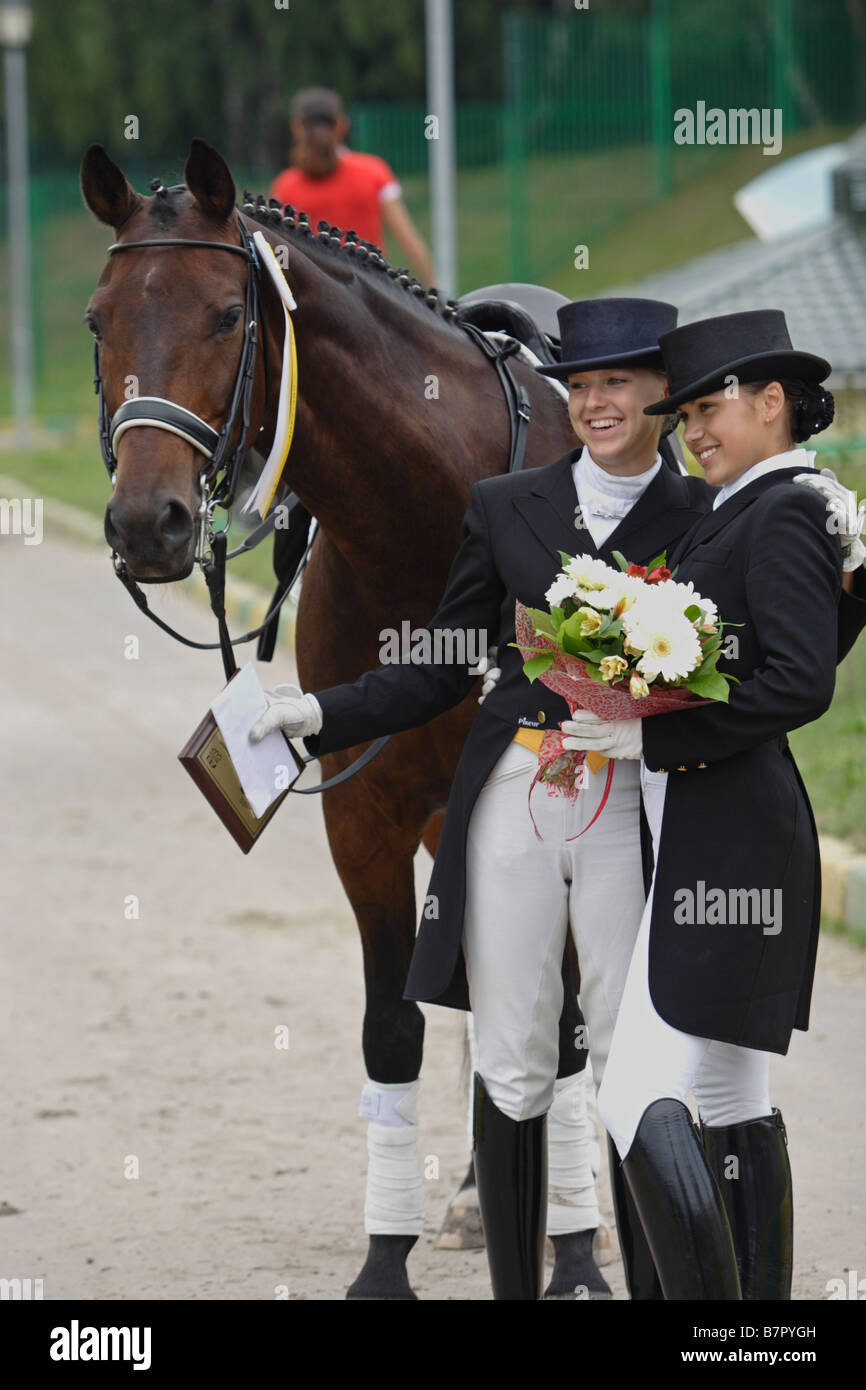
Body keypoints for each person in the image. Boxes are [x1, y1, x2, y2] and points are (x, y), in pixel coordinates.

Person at [249, 299, 866, 1299]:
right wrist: (318, 711)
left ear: (658, 403)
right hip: (520, 793)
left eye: (616, 384)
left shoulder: (711, 507)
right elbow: (443, 664)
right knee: (515, 1055)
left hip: (641, 803)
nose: (592, 404)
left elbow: (776, 647)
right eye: (575, 387)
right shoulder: (503, 504)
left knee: (640, 1062)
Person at [564, 309, 862, 1299]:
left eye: (707, 407)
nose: (690, 429)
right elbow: (784, 650)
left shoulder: (782, 507)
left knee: (632, 1089)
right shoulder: (751, 504)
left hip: (732, 835)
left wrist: (648, 733)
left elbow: (797, 683)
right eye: (680, 412)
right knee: (733, 1093)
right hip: (722, 826)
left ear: (770, 401)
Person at [270, 88, 433, 284]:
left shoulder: (285, 187)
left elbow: (279, 257)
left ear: (296, 128)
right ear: (342, 125)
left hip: (314, 299)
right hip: (373, 294)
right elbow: (410, 242)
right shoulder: (374, 171)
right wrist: (437, 297)